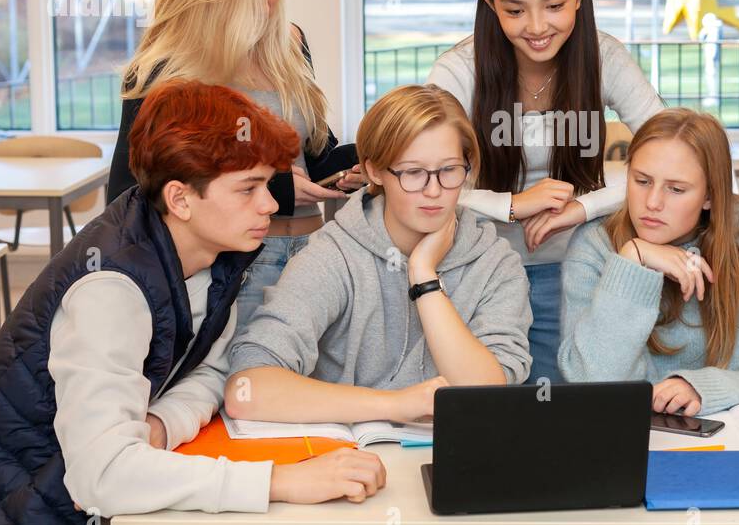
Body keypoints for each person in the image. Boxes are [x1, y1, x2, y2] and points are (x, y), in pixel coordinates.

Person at [0, 81, 387, 525]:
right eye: (248, 188)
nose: (269, 204)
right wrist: (280, 482)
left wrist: (161, 423)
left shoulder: (206, 253)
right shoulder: (110, 291)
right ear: (180, 199)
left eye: (267, 184)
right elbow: (104, 477)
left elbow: (216, 367)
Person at [106, 0, 364, 332]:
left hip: (311, 263)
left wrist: (367, 158)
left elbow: (314, 155)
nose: (269, 3)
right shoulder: (163, 74)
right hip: (227, 279)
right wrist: (279, 190)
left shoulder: (290, 44)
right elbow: (133, 202)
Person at [427, 0, 664, 384]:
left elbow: (674, 159)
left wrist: (583, 207)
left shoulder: (605, 58)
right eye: (515, 10)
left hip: (573, 269)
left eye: (554, 5)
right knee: (486, 413)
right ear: (489, 3)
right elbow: (420, 185)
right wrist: (512, 205)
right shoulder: (457, 70)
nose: (536, 28)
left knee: (566, 411)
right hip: (475, 270)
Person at [224, 84, 531, 425]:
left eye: (448, 170)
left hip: (459, 460)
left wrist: (424, 277)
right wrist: (396, 405)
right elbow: (246, 388)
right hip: (350, 461)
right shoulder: (334, 253)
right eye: (412, 172)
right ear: (374, 171)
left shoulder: (495, 262)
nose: (433, 191)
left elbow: (486, 395)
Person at [559, 108, 739, 415]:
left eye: (676, 189)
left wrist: (705, 387)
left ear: (709, 196)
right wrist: (632, 261)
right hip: (633, 443)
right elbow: (591, 385)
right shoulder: (594, 246)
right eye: (642, 181)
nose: (652, 203)